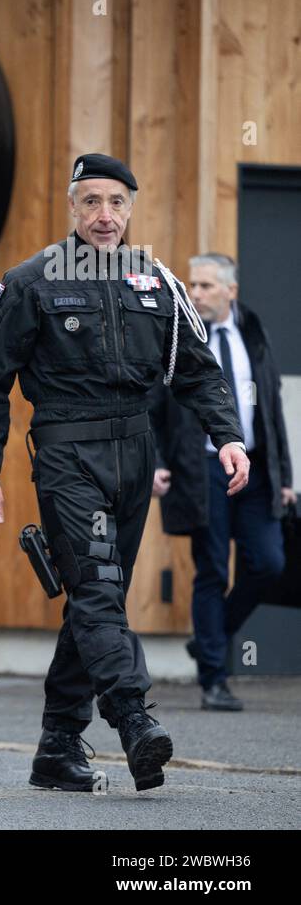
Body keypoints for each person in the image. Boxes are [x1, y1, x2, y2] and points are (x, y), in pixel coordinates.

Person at [0, 153, 249, 792]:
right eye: (91, 202)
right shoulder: (30, 281)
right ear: (72, 208)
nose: (105, 216)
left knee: (100, 595)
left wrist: (227, 437)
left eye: (116, 202)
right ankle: (133, 717)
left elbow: (198, 370)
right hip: (67, 453)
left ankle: (57, 748)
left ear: (130, 209)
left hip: (136, 453)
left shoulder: (157, 282)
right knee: (95, 585)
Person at [150, 253, 294, 710]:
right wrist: (155, 461)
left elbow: (271, 408)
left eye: (207, 286)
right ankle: (214, 679)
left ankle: (210, 637)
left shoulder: (253, 334)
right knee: (211, 568)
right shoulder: (180, 335)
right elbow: (151, 405)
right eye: (192, 285)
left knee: (269, 563)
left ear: (231, 291)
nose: (195, 293)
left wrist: (284, 476)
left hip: (254, 468)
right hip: (203, 467)